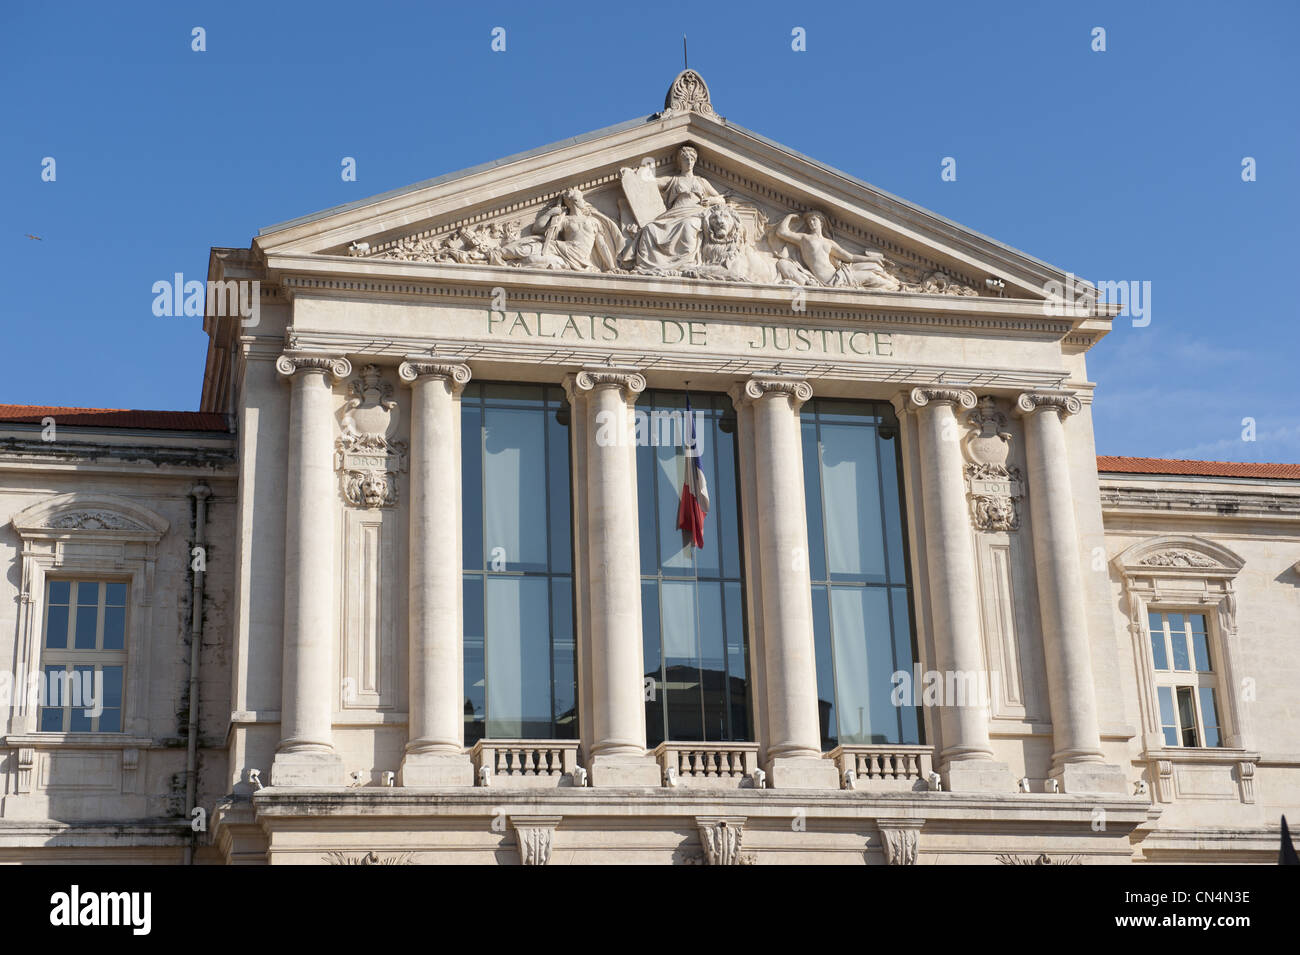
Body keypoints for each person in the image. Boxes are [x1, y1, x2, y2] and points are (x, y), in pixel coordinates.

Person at [774, 211, 900, 290]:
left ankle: (897, 287)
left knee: (872, 271)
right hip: (828, 280)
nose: (811, 223)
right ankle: (897, 288)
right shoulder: (804, 239)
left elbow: (850, 257)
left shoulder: (829, 243)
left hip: (839, 275)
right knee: (870, 277)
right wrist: (790, 216)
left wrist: (874, 258)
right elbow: (781, 232)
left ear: (821, 222)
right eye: (809, 221)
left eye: (814, 220)